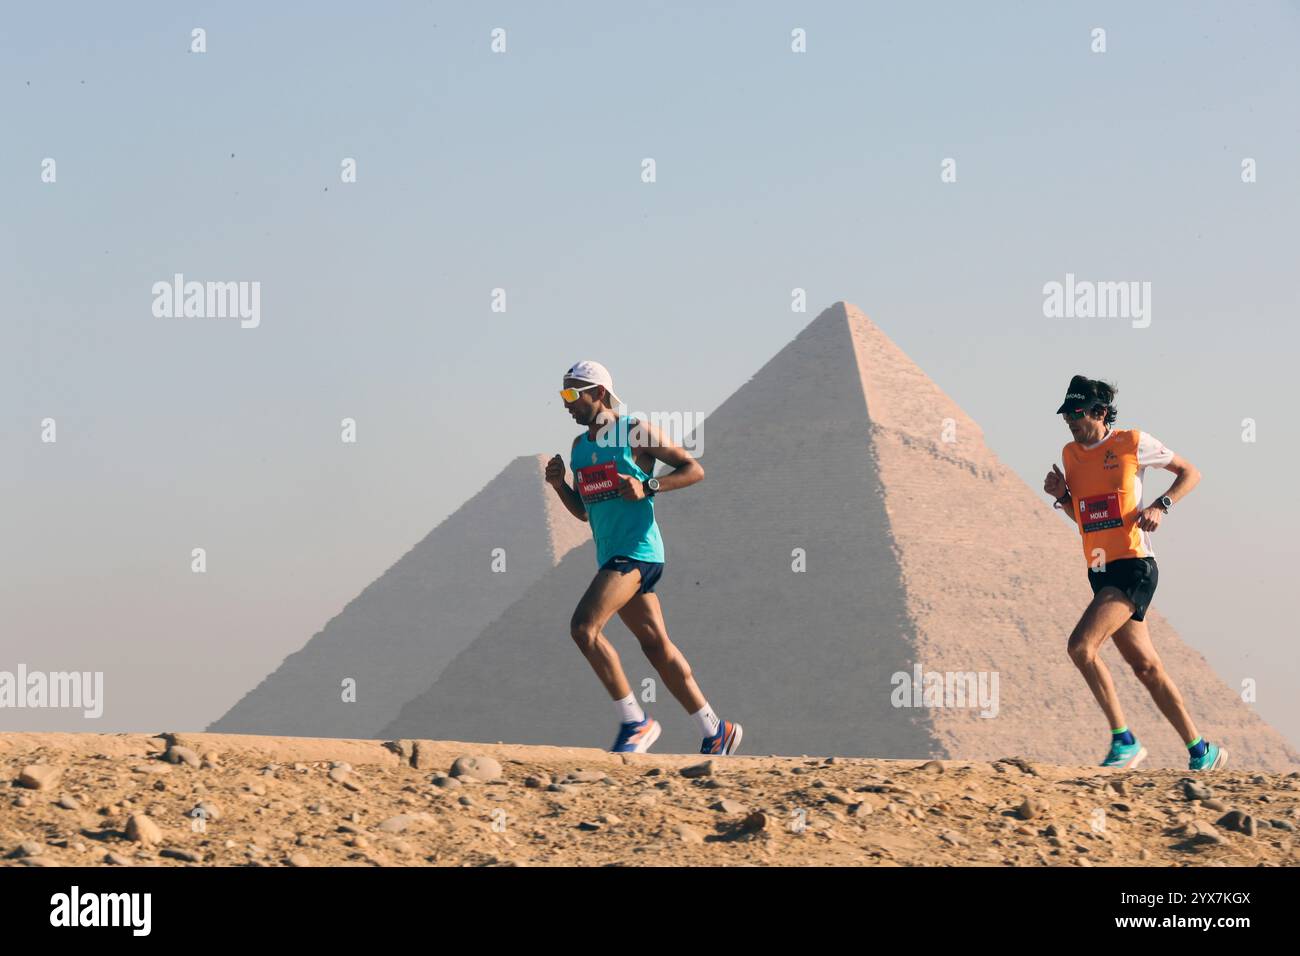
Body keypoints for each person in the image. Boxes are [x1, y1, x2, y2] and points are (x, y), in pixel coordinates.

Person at [546, 360, 743, 756]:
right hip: (612, 556)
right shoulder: (579, 449)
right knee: (656, 646)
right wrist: (559, 485)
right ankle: (715, 730)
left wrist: (649, 485)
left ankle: (636, 721)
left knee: (584, 628)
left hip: (636, 553)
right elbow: (586, 512)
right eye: (561, 395)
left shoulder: (633, 430)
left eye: (572, 394)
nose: (565, 403)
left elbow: (693, 468)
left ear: (598, 393)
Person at [1043, 375, 1226, 772]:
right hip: (1099, 569)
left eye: (1076, 413)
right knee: (1146, 667)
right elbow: (1085, 519)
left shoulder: (1131, 442)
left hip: (1133, 566)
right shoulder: (1070, 455)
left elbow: (1190, 472)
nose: (1070, 421)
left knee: (1081, 647)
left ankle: (1124, 740)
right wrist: (1062, 497)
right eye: (1066, 415)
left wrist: (1162, 504)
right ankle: (1201, 751)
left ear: (1100, 412)